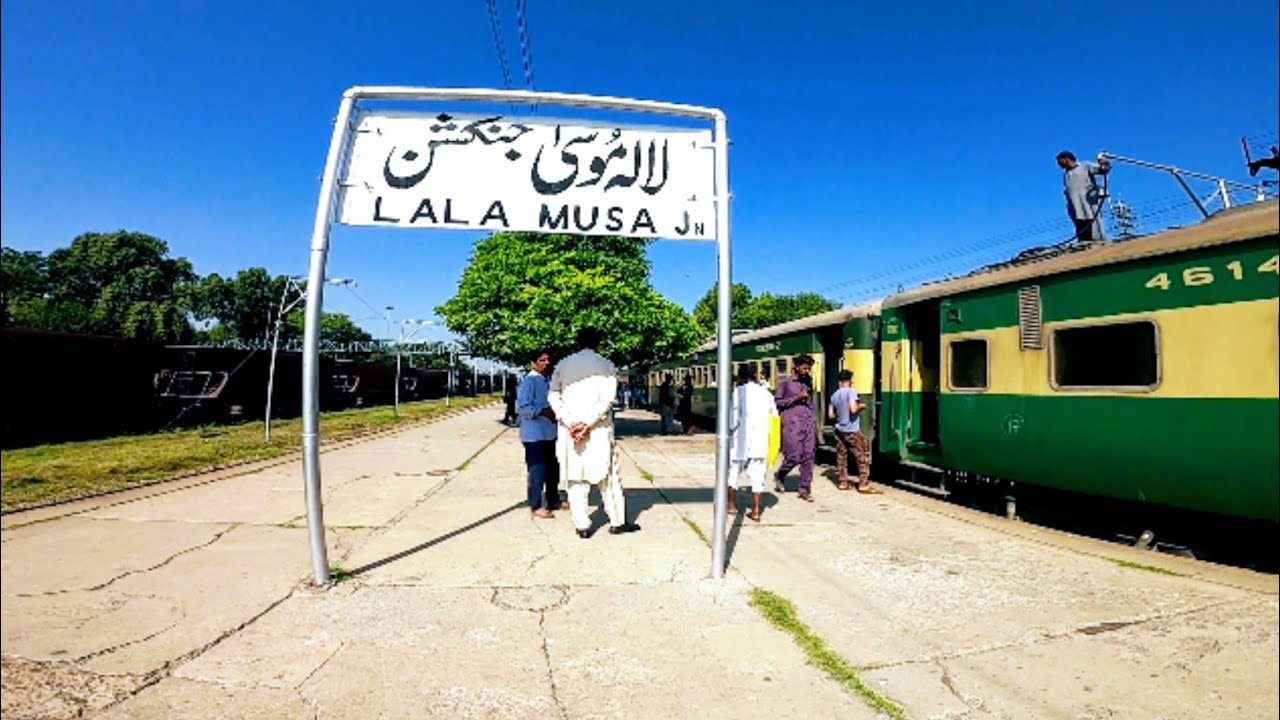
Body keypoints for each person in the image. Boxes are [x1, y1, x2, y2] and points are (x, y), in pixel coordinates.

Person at [548, 327, 641, 538]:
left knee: (575, 477)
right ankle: (617, 521)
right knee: (608, 476)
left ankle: (582, 525)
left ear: (578, 342)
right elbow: (607, 400)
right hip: (598, 430)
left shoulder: (563, 365)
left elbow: (553, 397)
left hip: (570, 432)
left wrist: (572, 422)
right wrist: (588, 423)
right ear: (598, 343)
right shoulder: (606, 365)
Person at [729, 363, 777, 522]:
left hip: (739, 442)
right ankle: (756, 510)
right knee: (758, 476)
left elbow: (733, 418)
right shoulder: (766, 393)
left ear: (741, 376)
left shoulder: (738, 392)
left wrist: (729, 431)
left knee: (733, 472)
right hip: (760, 441)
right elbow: (774, 418)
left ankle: (731, 505)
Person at [516, 350, 561, 518]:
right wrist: (542, 411)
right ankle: (535, 505)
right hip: (534, 434)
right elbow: (522, 408)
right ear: (533, 363)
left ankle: (553, 499)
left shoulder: (546, 380)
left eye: (548, 359)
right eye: (542, 360)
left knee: (553, 468)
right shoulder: (530, 381)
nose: (546, 363)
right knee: (537, 470)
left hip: (548, 433)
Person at [828, 369, 881, 494]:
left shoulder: (834, 395)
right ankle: (864, 485)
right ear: (850, 380)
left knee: (841, 457)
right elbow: (853, 410)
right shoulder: (851, 392)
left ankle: (843, 483)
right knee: (863, 456)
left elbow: (830, 415)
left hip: (839, 429)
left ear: (840, 381)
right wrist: (861, 406)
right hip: (851, 429)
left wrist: (840, 415)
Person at [774, 354, 817, 501]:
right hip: (792, 423)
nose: (807, 370)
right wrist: (796, 398)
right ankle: (780, 474)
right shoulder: (785, 383)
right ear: (796, 367)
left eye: (809, 368)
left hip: (807, 422)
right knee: (793, 455)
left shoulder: (809, 382)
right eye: (804, 367)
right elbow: (778, 402)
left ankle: (804, 489)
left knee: (808, 456)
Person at [1056, 150, 1111, 243]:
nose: (1058, 164)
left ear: (1067, 159)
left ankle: (1099, 243)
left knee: (1094, 225)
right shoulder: (1066, 174)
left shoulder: (1085, 166)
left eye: (1060, 161)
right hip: (1075, 207)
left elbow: (1102, 170)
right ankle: (1084, 244)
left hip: (1089, 204)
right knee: (1081, 227)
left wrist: (1104, 163)